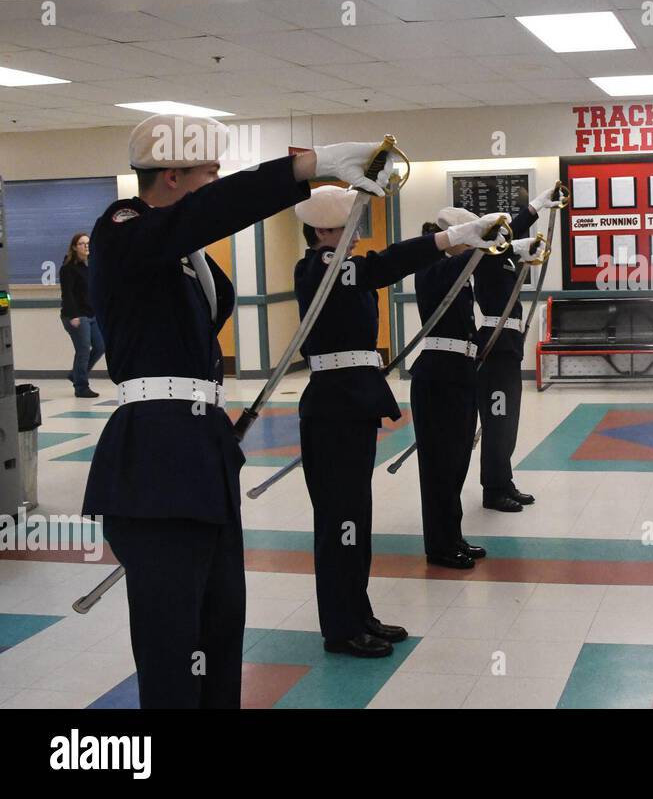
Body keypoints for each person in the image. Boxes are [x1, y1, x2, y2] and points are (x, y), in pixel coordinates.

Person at [84, 114, 393, 708]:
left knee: (221, 624)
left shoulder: (182, 252)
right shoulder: (122, 229)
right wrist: (310, 166)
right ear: (171, 176)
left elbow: (201, 234)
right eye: (208, 171)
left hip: (203, 450)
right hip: (156, 455)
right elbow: (212, 211)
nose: (216, 180)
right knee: (173, 641)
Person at [293, 187, 504, 656]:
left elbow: (376, 269)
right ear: (325, 230)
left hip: (351, 405)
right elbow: (384, 265)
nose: (355, 237)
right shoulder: (321, 267)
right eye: (348, 227)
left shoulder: (342, 269)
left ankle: (357, 611)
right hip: (333, 408)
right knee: (340, 521)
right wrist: (450, 239)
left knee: (356, 518)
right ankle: (341, 626)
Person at [410, 207, 509, 569]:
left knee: (455, 465)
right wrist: (478, 243)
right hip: (438, 377)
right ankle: (439, 545)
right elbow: (457, 268)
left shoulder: (458, 270)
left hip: (460, 372)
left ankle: (452, 537)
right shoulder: (433, 268)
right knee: (439, 469)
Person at [474, 188, 563, 512]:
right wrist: (538, 203)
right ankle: (492, 490)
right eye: (498, 231)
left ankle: (503, 480)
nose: (505, 235)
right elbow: (518, 227)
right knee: (497, 423)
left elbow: (518, 232)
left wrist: (542, 205)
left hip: (509, 346)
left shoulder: (508, 258)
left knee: (508, 422)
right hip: (495, 346)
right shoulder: (484, 256)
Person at [59, 232, 104, 398]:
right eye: (82, 243)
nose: (86, 246)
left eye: (88, 243)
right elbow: (68, 294)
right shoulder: (68, 269)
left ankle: (76, 374)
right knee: (83, 350)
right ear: (74, 247)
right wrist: (74, 316)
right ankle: (81, 386)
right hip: (76, 315)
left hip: (91, 315)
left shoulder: (89, 267)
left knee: (100, 347)